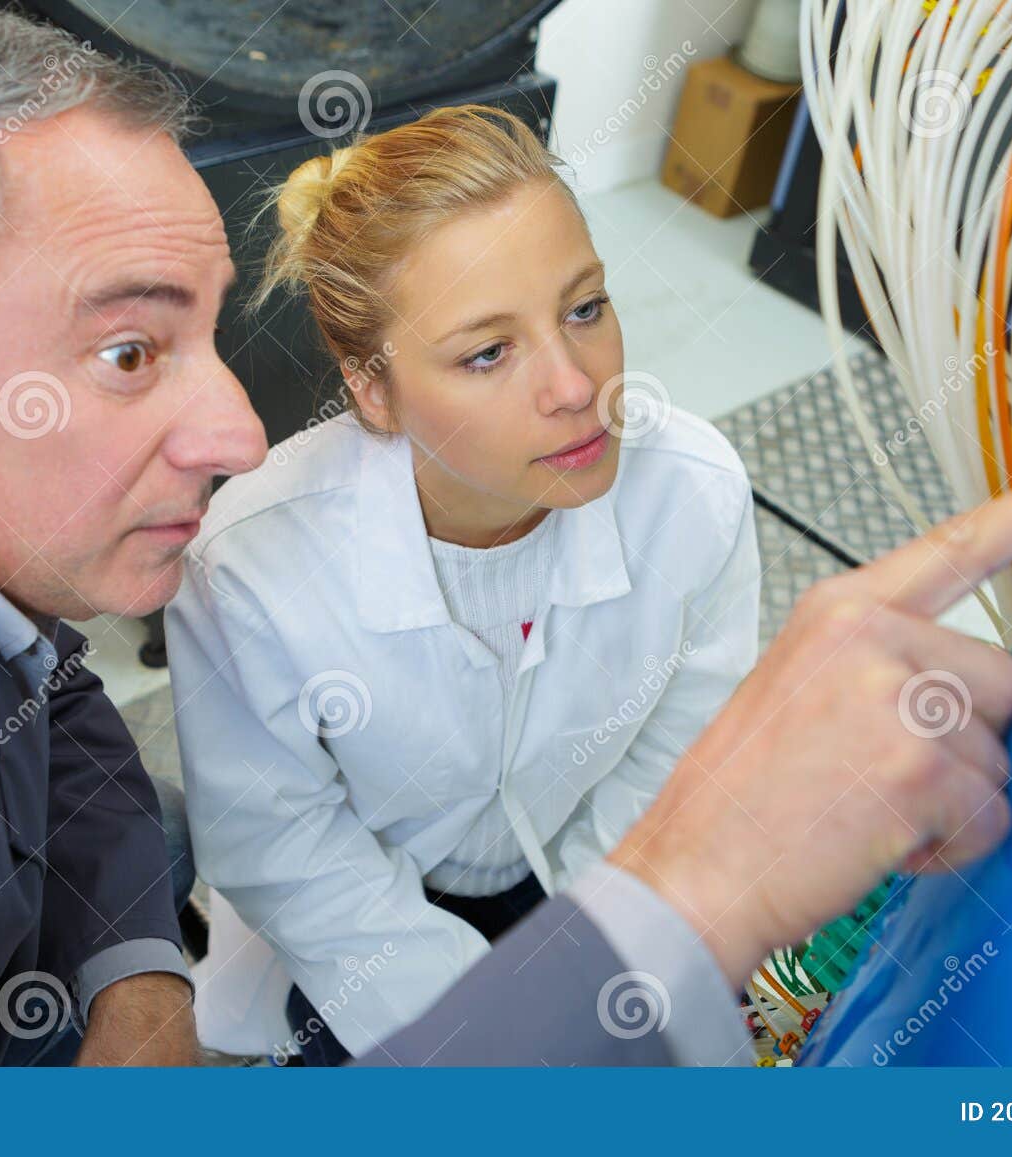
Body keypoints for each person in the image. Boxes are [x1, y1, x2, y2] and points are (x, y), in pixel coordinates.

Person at [0, 4, 1012, 1067]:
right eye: (129, 350)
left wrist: (129, 972)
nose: (240, 434)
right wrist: (679, 910)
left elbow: (63, 723)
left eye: (586, 304)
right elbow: (285, 850)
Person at [166, 106, 761, 1064]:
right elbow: (285, 851)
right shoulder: (251, 564)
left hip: (584, 868)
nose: (575, 384)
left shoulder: (693, 495)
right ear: (373, 387)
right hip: (357, 929)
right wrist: (492, 1032)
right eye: (487, 352)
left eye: (585, 308)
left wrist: (577, 965)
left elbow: (681, 753)